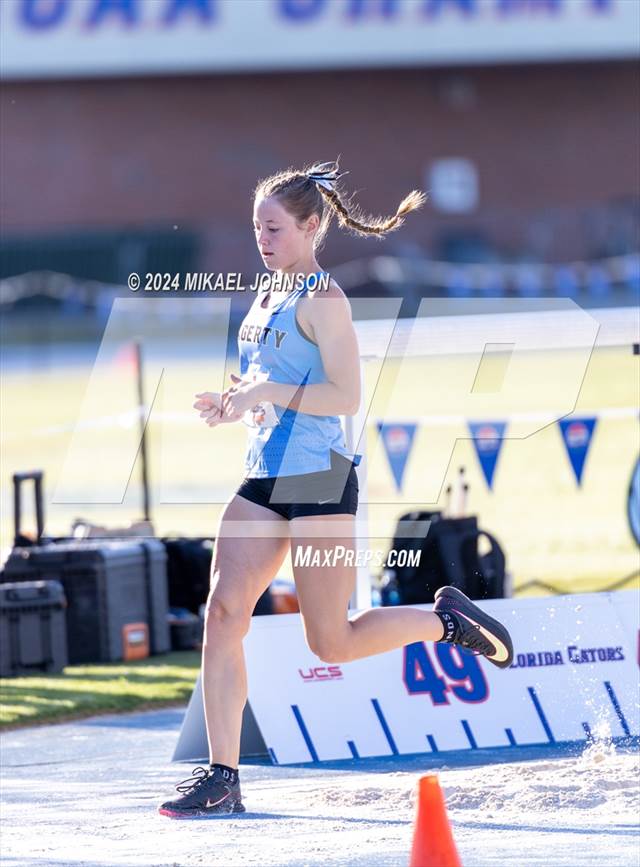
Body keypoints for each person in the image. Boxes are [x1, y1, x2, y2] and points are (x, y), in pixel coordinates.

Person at [159, 160, 514, 819]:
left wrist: (268, 393)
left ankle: (446, 620)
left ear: (310, 227)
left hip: (321, 476)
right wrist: (235, 400)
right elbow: (271, 377)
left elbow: (345, 395)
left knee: (331, 640)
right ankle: (223, 775)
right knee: (222, 612)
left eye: (274, 227)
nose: (261, 239)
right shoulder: (266, 295)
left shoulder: (326, 300)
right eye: (256, 227)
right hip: (263, 474)